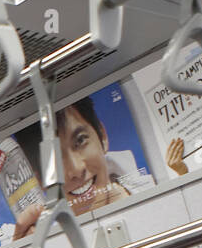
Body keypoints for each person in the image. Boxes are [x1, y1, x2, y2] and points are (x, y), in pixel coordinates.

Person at [13, 96, 148, 238]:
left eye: (81, 140)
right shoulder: (47, 241)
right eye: (54, 159)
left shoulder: (162, 186)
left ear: (102, 136)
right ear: (40, 180)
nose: (76, 169)